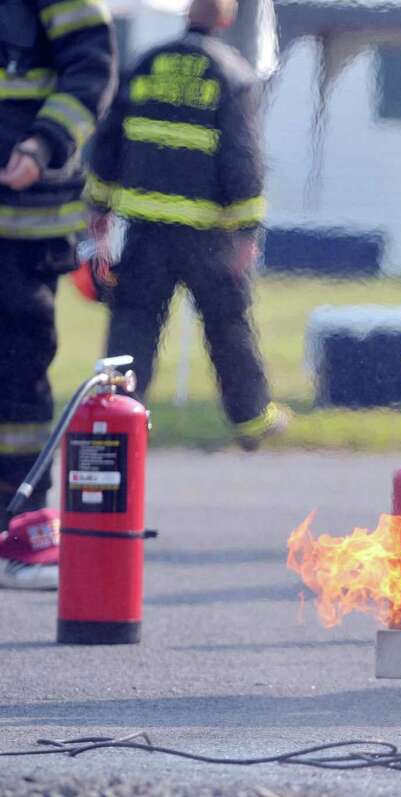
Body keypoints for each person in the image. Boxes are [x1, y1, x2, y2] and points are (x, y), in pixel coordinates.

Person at [84, 0, 288, 452]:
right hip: (207, 237)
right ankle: (252, 420)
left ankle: (116, 420)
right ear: (227, 19)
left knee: (132, 326)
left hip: (145, 231)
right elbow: (242, 158)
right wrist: (246, 233)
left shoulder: (145, 64)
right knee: (227, 327)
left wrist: (98, 208)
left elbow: (108, 139)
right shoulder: (232, 75)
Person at [0, 0, 116, 589]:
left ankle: (18, 528)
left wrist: (41, 144)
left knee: (16, 374)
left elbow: (90, 68)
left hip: (22, 223)